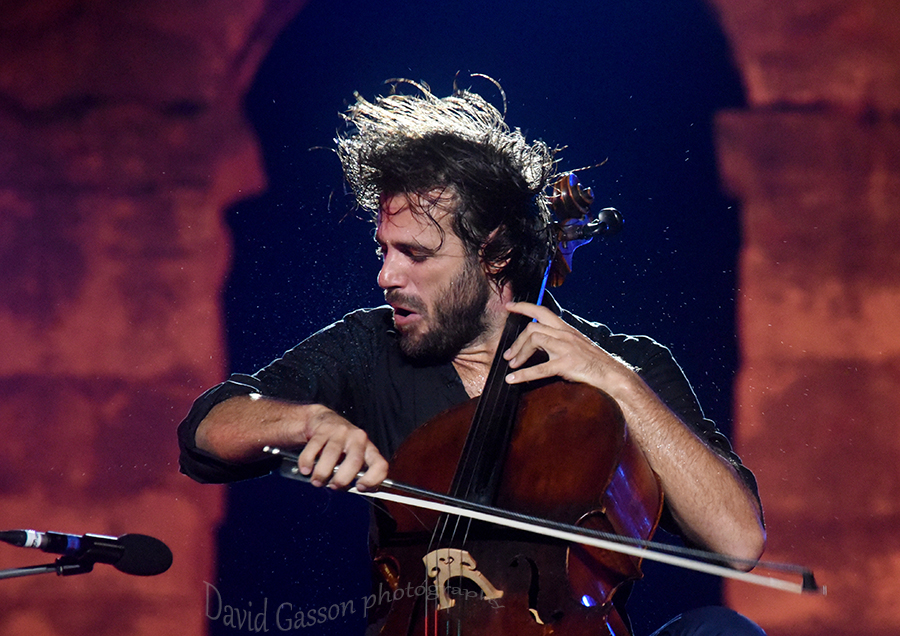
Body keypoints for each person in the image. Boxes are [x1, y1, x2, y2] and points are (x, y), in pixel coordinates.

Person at [178, 81, 766, 635]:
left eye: (415, 254)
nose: (386, 275)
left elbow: (738, 542)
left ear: (495, 254)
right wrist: (305, 421)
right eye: (384, 250)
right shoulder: (370, 347)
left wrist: (616, 383)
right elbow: (206, 428)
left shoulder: (625, 365)